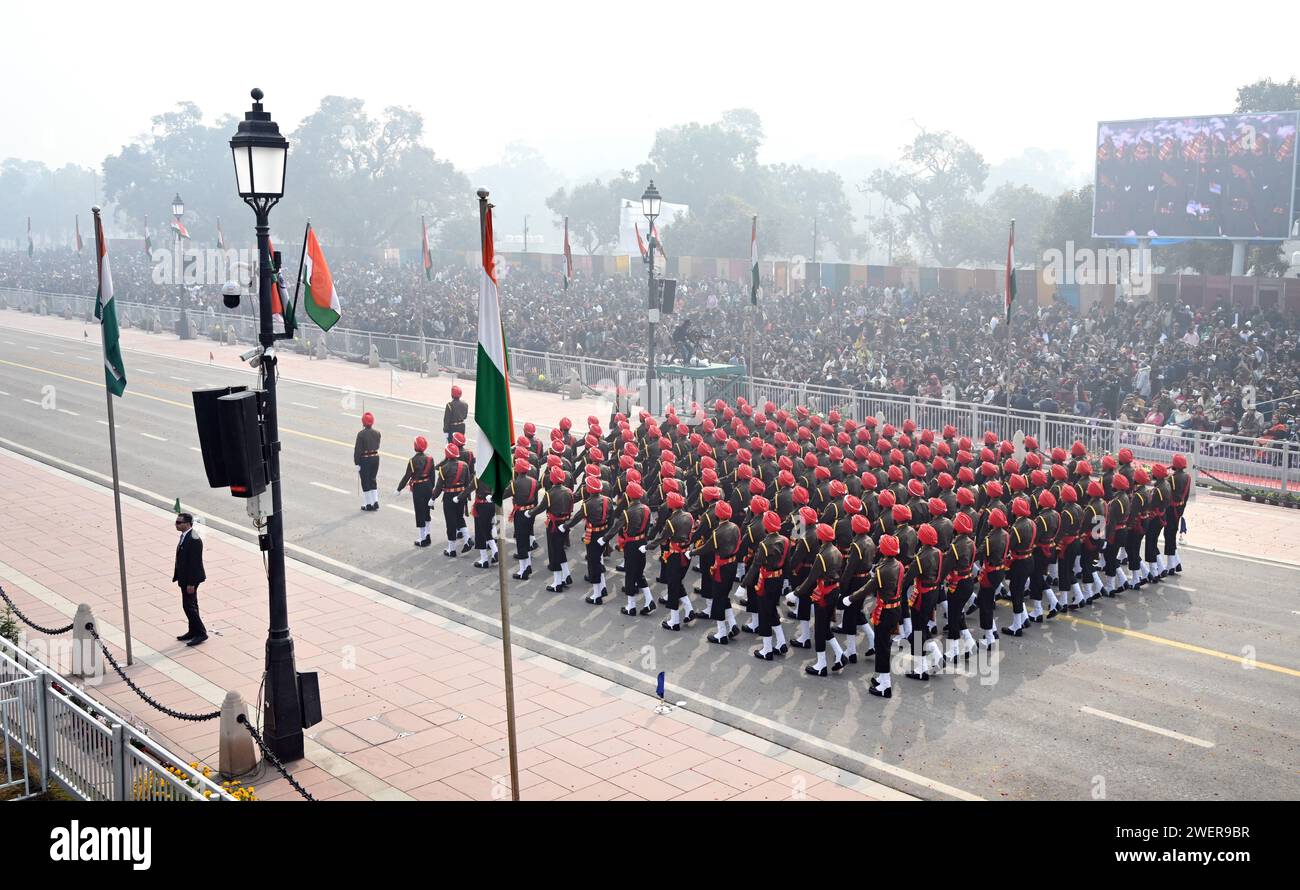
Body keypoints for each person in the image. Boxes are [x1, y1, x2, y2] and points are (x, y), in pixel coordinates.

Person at [844, 534, 906, 698]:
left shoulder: (883, 570)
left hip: (885, 612)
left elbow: (866, 589)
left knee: (882, 647)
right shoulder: (898, 565)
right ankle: (881, 677)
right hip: (895, 608)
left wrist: (849, 598)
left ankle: (885, 685)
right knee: (882, 645)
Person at [429, 443, 472, 556]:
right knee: (460, 518)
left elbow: (438, 487)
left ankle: (451, 549)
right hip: (461, 495)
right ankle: (467, 539)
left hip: (449, 497)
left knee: (450, 522)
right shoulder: (465, 465)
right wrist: (465, 496)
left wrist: (433, 498)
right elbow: (468, 482)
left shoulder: (444, 468)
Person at [395, 437, 437, 547]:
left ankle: (422, 538)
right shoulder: (430, 458)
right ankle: (428, 534)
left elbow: (407, 476)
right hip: (428, 485)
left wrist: (399, 488)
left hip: (418, 487)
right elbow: (433, 476)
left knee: (419, 512)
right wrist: (432, 488)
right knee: (427, 511)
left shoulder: (412, 461)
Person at [173, 513, 207, 646]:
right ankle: (193, 630)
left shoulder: (193, 539)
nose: (176, 524)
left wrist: (191, 583)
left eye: (179, 522)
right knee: (192, 605)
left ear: (187, 524)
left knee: (188, 606)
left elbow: (194, 563)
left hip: (190, 579)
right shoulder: (185, 536)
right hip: (184, 577)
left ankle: (201, 632)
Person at [353, 412, 381, 511]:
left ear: (363, 422)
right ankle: (375, 501)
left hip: (365, 459)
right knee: (373, 479)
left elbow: (358, 450)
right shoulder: (377, 433)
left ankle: (368, 504)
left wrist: (356, 462)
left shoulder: (361, 434)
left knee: (365, 481)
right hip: (375, 458)